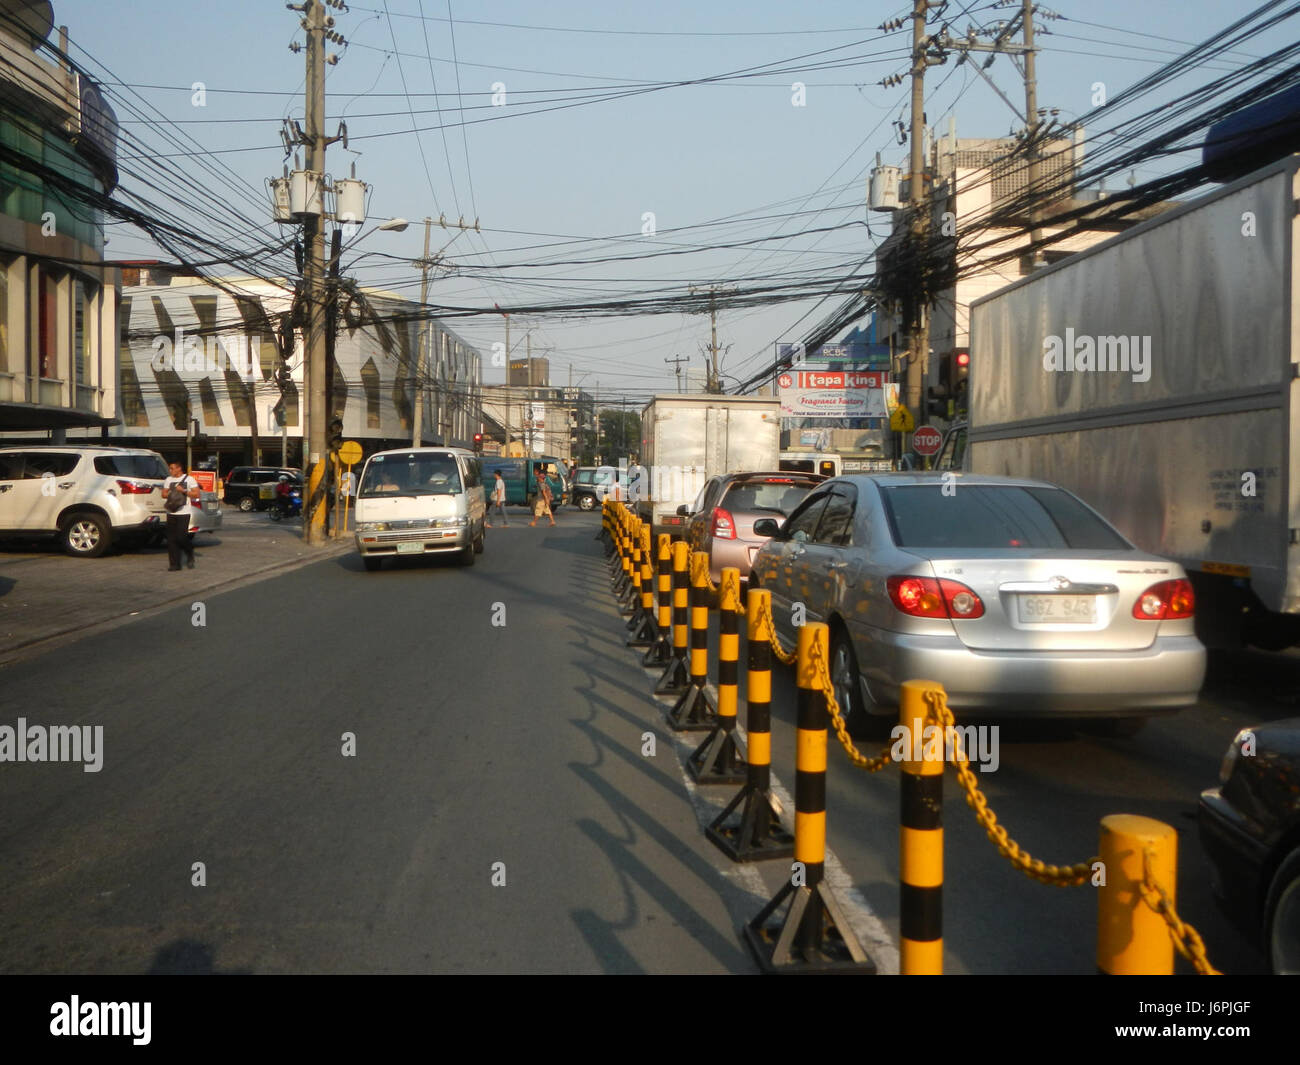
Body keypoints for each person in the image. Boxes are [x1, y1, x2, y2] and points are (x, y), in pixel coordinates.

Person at [161, 461, 200, 570]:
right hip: (171, 511)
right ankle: (174, 564)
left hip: (184, 512)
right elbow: (163, 494)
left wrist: (183, 490)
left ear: (179, 468)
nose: (170, 470)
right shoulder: (168, 480)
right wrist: (169, 492)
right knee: (171, 539)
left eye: (172, 468)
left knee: (181, 537)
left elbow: (197, 494)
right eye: (170, 468)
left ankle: (189, 552)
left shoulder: (189, 479)